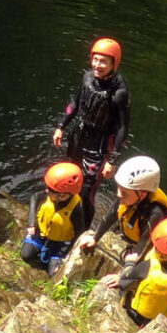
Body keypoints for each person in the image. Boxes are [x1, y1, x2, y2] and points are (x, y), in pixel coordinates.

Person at [50, 37, 130, 224]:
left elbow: (123, 127)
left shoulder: (120, 93)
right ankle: (65, 217)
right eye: (95, 59)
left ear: (114, 63)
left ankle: (83, 231)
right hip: (79, 138)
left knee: (87, 192)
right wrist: (61, 127)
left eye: (103, 61)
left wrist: (112, 160)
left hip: (100, 147)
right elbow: (75, 104)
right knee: (70, 179)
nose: (97, 65)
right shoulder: (87, 78)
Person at [76, 154, 167, 266]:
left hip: (154, 250)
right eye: (119, 188)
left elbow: (145, 243)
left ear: (142, 194)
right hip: (135, 241)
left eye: (124, 193)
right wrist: (95, 238)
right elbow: (110, 216)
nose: (118, 194)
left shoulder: (155, 214)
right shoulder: (129, 196)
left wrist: (130, 264)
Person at [103, 216, 167, 327]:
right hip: (162, 321)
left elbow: (124, 283)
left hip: (136, 315)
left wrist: (129, 264)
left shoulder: (148, 266)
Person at [20, 162, 89, 275]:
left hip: (61, 243)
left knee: (53, 273)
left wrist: (67, 254)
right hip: (41, 233)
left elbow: (78, 234)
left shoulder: (76, 209)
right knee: (26, 255)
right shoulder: (51, 193)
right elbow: (34, 197)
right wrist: (31, 223)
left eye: (51, 190)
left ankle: (54, 256)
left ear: (64, 195)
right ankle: (41, 246)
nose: (46, 191)